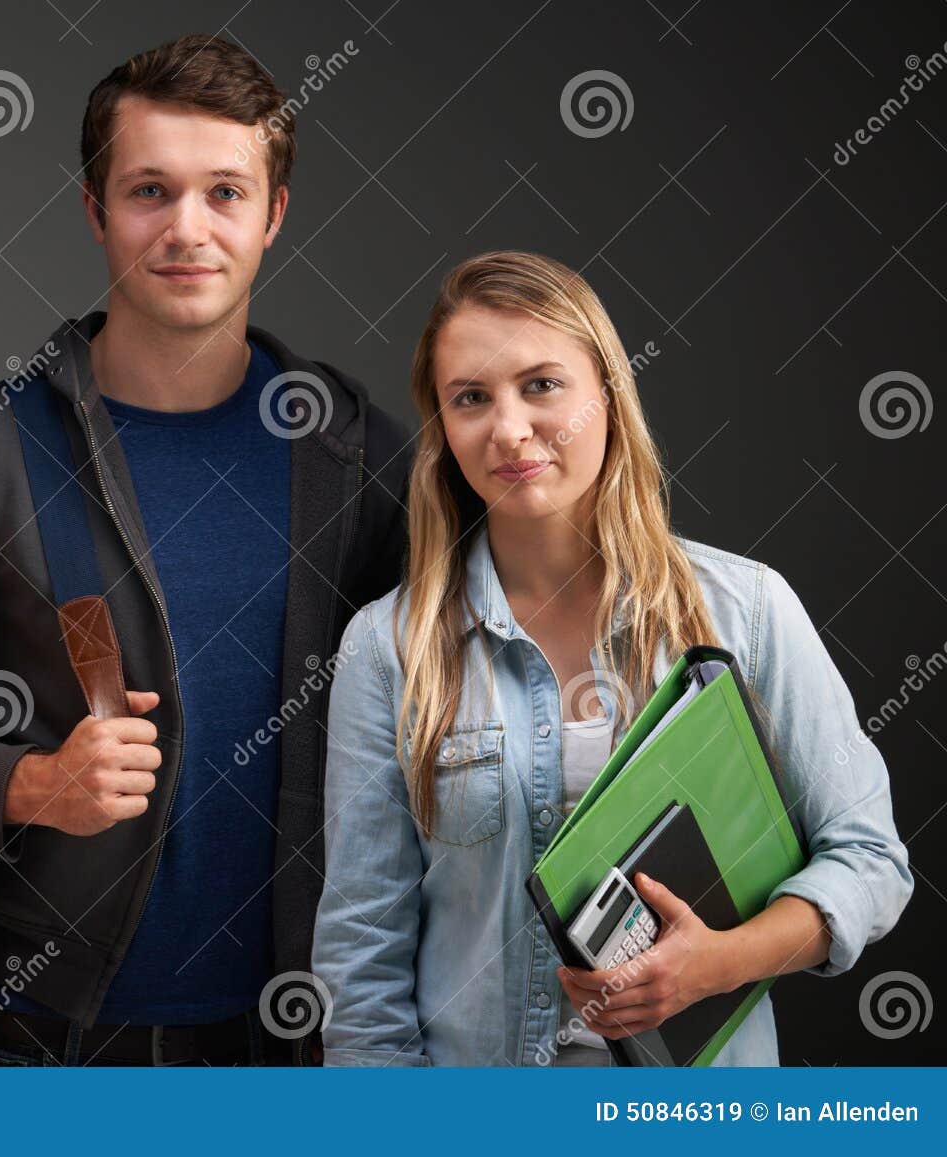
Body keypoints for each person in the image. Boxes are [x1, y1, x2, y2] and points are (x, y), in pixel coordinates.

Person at [0, 35, 412, 1065]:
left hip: (306, 1040)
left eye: (225, 192)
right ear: (95, 211)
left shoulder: (356, 457)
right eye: (150, 190)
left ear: (273, 214)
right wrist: (19, 780)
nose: (187, 229)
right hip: (37, 1037)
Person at [311, 250, 913, 1066]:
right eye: (471, 399)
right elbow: (361, 959)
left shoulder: (748, 610)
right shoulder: (389, 649)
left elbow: (870, 859)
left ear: (608, 391)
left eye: (542, 384)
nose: (510, 429)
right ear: (443, 425)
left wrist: (719, 964)